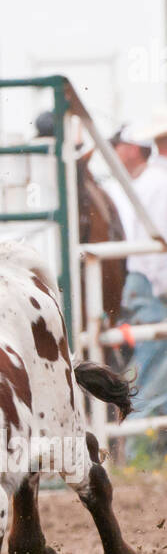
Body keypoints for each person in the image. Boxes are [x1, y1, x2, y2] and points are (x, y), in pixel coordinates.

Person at [106, 117, 167, 454]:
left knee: (150, 358)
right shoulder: (151, 181)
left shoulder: (153, 181)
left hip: (144, 282)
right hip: (146, 284)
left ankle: (136, 443)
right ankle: (137, 444)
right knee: (152, 357)